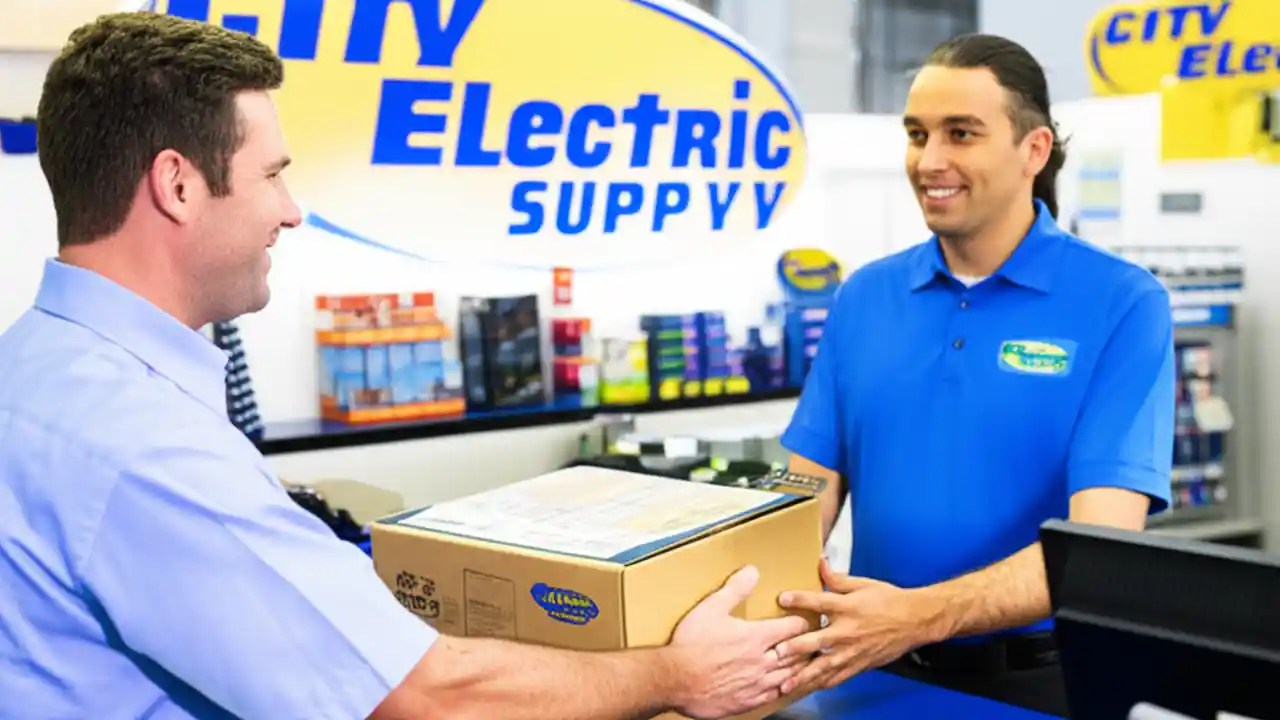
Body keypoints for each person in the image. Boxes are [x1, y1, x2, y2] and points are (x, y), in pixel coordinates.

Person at [0, 12, 809, 720]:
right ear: (178, 184)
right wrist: (678, 673)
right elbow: (424, 698)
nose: (291, 210)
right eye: (273, 174)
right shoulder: (145, 446)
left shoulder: (33, 372)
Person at [771, 33, 1174, 716]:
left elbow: (1098, 549)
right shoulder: (865, 296)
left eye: (961, 133)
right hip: (859, 682)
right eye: (916, 133)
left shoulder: (1122, 304)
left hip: (1038, 691)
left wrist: (917, 615)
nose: (930, 161)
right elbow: (802, 492)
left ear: (1033, 150)